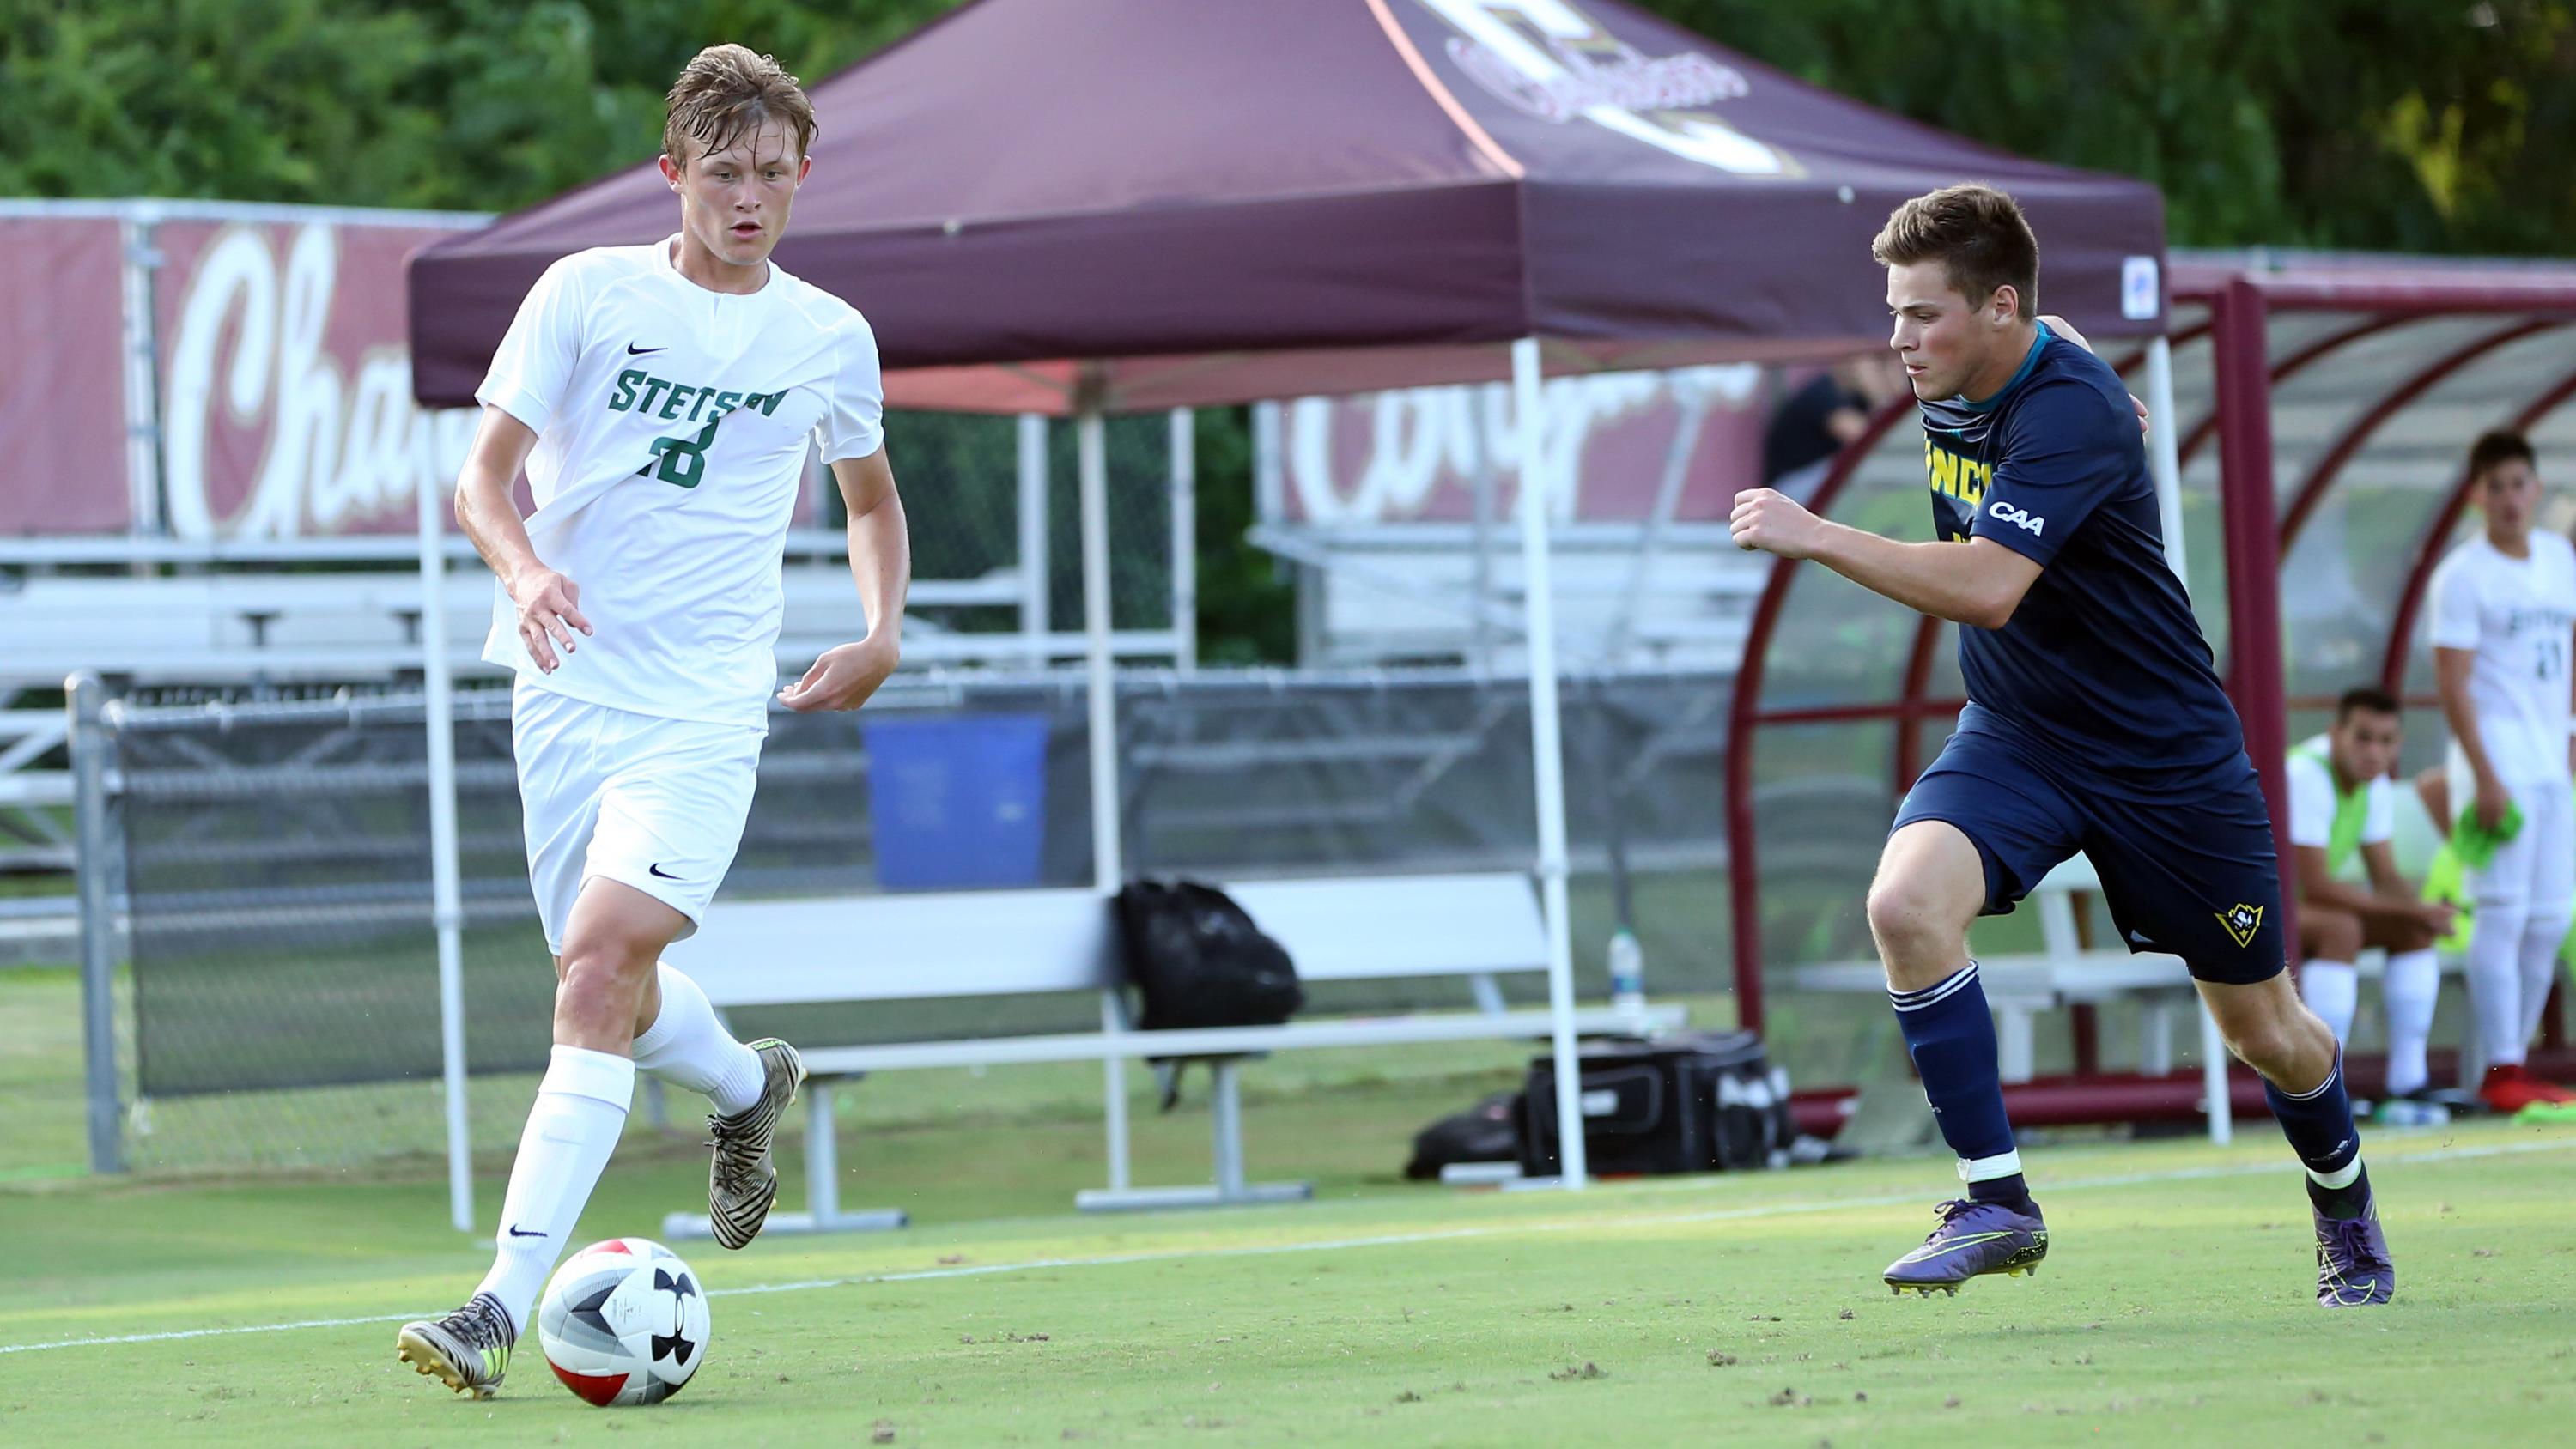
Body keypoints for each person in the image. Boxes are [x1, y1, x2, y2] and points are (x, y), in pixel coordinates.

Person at [1729, 183, 2394, 1307]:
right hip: (2021, 733)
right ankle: (1996, 1200)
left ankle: (2347, 1209)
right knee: (1904, 906)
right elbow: (2062, 337)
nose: (1900, 341)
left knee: (2266, 1031)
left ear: (1998, 307)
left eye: (1923, 314)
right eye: (1893, 314)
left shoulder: (2069, 407)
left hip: (2164, 757)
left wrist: (1816, 534)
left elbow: (1989, 586)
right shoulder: (1988, 362)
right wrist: (2089, 364)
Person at [397, 45, 910, 1397]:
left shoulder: (828, 335)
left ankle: (495, 1310)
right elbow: (481, 482)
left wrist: (880, 631)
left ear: (803, 176)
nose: (749, 197)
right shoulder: (585, 293)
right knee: (603, 988)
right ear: (672, 173)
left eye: (773, 174)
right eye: (724, 172)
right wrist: (526, 572)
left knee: (597, 968)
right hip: (565, 689)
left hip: (704, 707)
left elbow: (869, 500)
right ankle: (744, 1086)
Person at [2426, 429, 2576, 1114]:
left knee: (2548, 917)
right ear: (2476, 496)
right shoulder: (2462, 576)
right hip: (2497, 763)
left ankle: (2519, 1061)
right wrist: (2484, 774)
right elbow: (2452, 683)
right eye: (2497, 487)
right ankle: (2501, 1066)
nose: (2511, 499)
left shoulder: (2559, 558)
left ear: (2536, 489)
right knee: (2503, 912)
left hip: (2551, 762)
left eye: (2520, 484)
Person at [2285, 688, 2454, 1125]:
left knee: (2412, 931)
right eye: (2363, 737)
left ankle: (2408, 1082)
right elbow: (2316, 886)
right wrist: (2413, 909)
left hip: (2298, 910)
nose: (2374, 751)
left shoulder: (2373, 783)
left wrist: (2423, 914)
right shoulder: (2305, 774)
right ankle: (2327, 1086)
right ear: (2335, 733)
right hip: (2254, 912)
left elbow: (2386, 876)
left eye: (2386, 740)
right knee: (2342, 928)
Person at [1761, 354, 1906, 498]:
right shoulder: (1823, 391)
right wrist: (1878, 391)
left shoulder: (1858, 396)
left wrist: (1897, 386)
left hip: (1816, 483)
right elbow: (1869, 441)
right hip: (1791, 486)